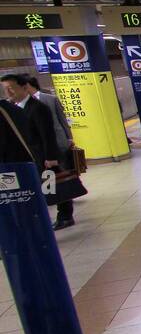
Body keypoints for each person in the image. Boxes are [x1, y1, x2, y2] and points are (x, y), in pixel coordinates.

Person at [24, 74, 82, 230]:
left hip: (57, 146)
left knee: (60, 178)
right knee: (52, 182)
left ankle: (65, 213)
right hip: (38, 153)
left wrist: (69, 138)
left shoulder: (48, 100)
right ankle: (61, 204)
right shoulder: (20, 105)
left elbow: (62, 120)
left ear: (28, 86)